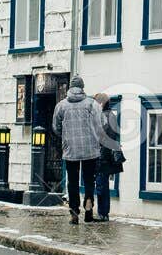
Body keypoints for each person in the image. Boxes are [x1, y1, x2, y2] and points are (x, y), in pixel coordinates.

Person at [51, 75, 103, 225]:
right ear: (82, 87)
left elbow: (56, 127)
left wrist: (66, 136)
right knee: (88, 179)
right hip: (90, 149)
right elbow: (101, 124)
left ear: (70, 88)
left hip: (70, 149)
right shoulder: (92, 104)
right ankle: (88, 207)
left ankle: (74, 212)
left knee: (72, 181)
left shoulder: (61, 106)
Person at [92, 91, 121, 223]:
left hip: (102, 155)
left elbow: (104, 137)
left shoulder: (104, 116)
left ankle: (102, 213)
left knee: (101, 185)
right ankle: (104, 213)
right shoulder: (111, 115)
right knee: (103, 185)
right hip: (106, 154)